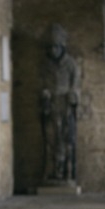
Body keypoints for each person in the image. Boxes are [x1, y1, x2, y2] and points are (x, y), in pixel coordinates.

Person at [41, 23, 81, 182]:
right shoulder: (46, 65)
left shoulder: (70, 64)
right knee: (51, 137)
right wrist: (44, 92)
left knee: (66, 137)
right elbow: (42, 81)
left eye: (56, 47)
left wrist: (73, 95)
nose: (53, 50)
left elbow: (75, 83)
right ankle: (53, 169)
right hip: (52, 102)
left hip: (65, 102)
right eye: (51, 47)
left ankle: (67, 170)